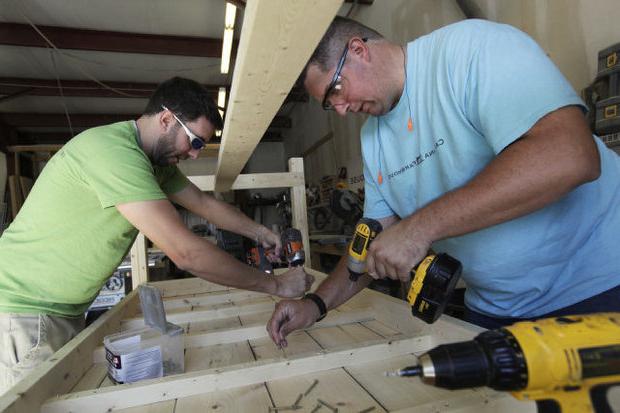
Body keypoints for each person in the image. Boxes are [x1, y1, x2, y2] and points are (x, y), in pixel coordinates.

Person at [267, 17, 620, 348]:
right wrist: (315, 305)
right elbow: (371, 239)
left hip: (598, 288)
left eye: (337, 90)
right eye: (330, 105)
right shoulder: (373, 139)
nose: (341, 109)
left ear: (359, 50)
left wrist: (419, 228)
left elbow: (571, 155)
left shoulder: (469, 50)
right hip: (494, 313)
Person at [0, 77, 314, 394]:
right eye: (194, 142)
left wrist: (260, 232)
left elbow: (204, 203)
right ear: (166, 119)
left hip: (58, 311)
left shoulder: (156, 164)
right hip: (24, 313)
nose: (195, 154)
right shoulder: (114, 153)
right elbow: (185, 253)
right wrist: (275, 285)